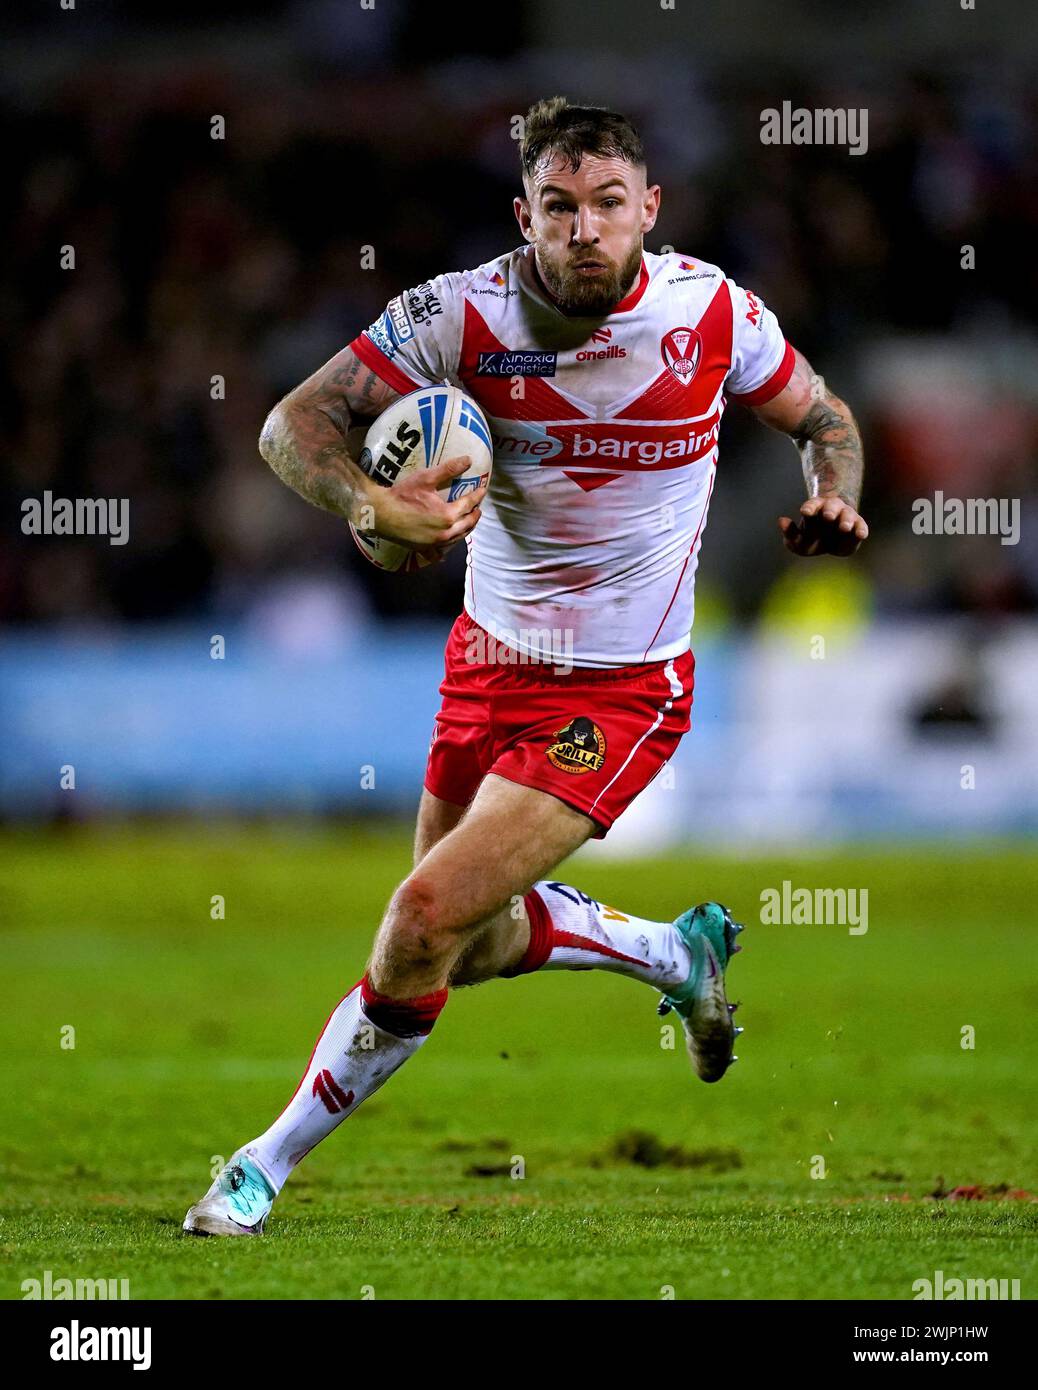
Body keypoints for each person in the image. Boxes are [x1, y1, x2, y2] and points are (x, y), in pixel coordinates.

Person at [184, 96, 868, 1236]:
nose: (586, 230)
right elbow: (289, 424)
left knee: (416, 919)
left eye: (609, 205)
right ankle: (671, 951)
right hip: (487, 666)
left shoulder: (715, 315)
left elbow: (824, 415)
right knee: (473, 940)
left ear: (650, 210)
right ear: (525, 215)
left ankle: (260, 1165)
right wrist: (369, 499)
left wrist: (832, 492)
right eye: (560, 207)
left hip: (622, 688)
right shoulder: (460, 317)